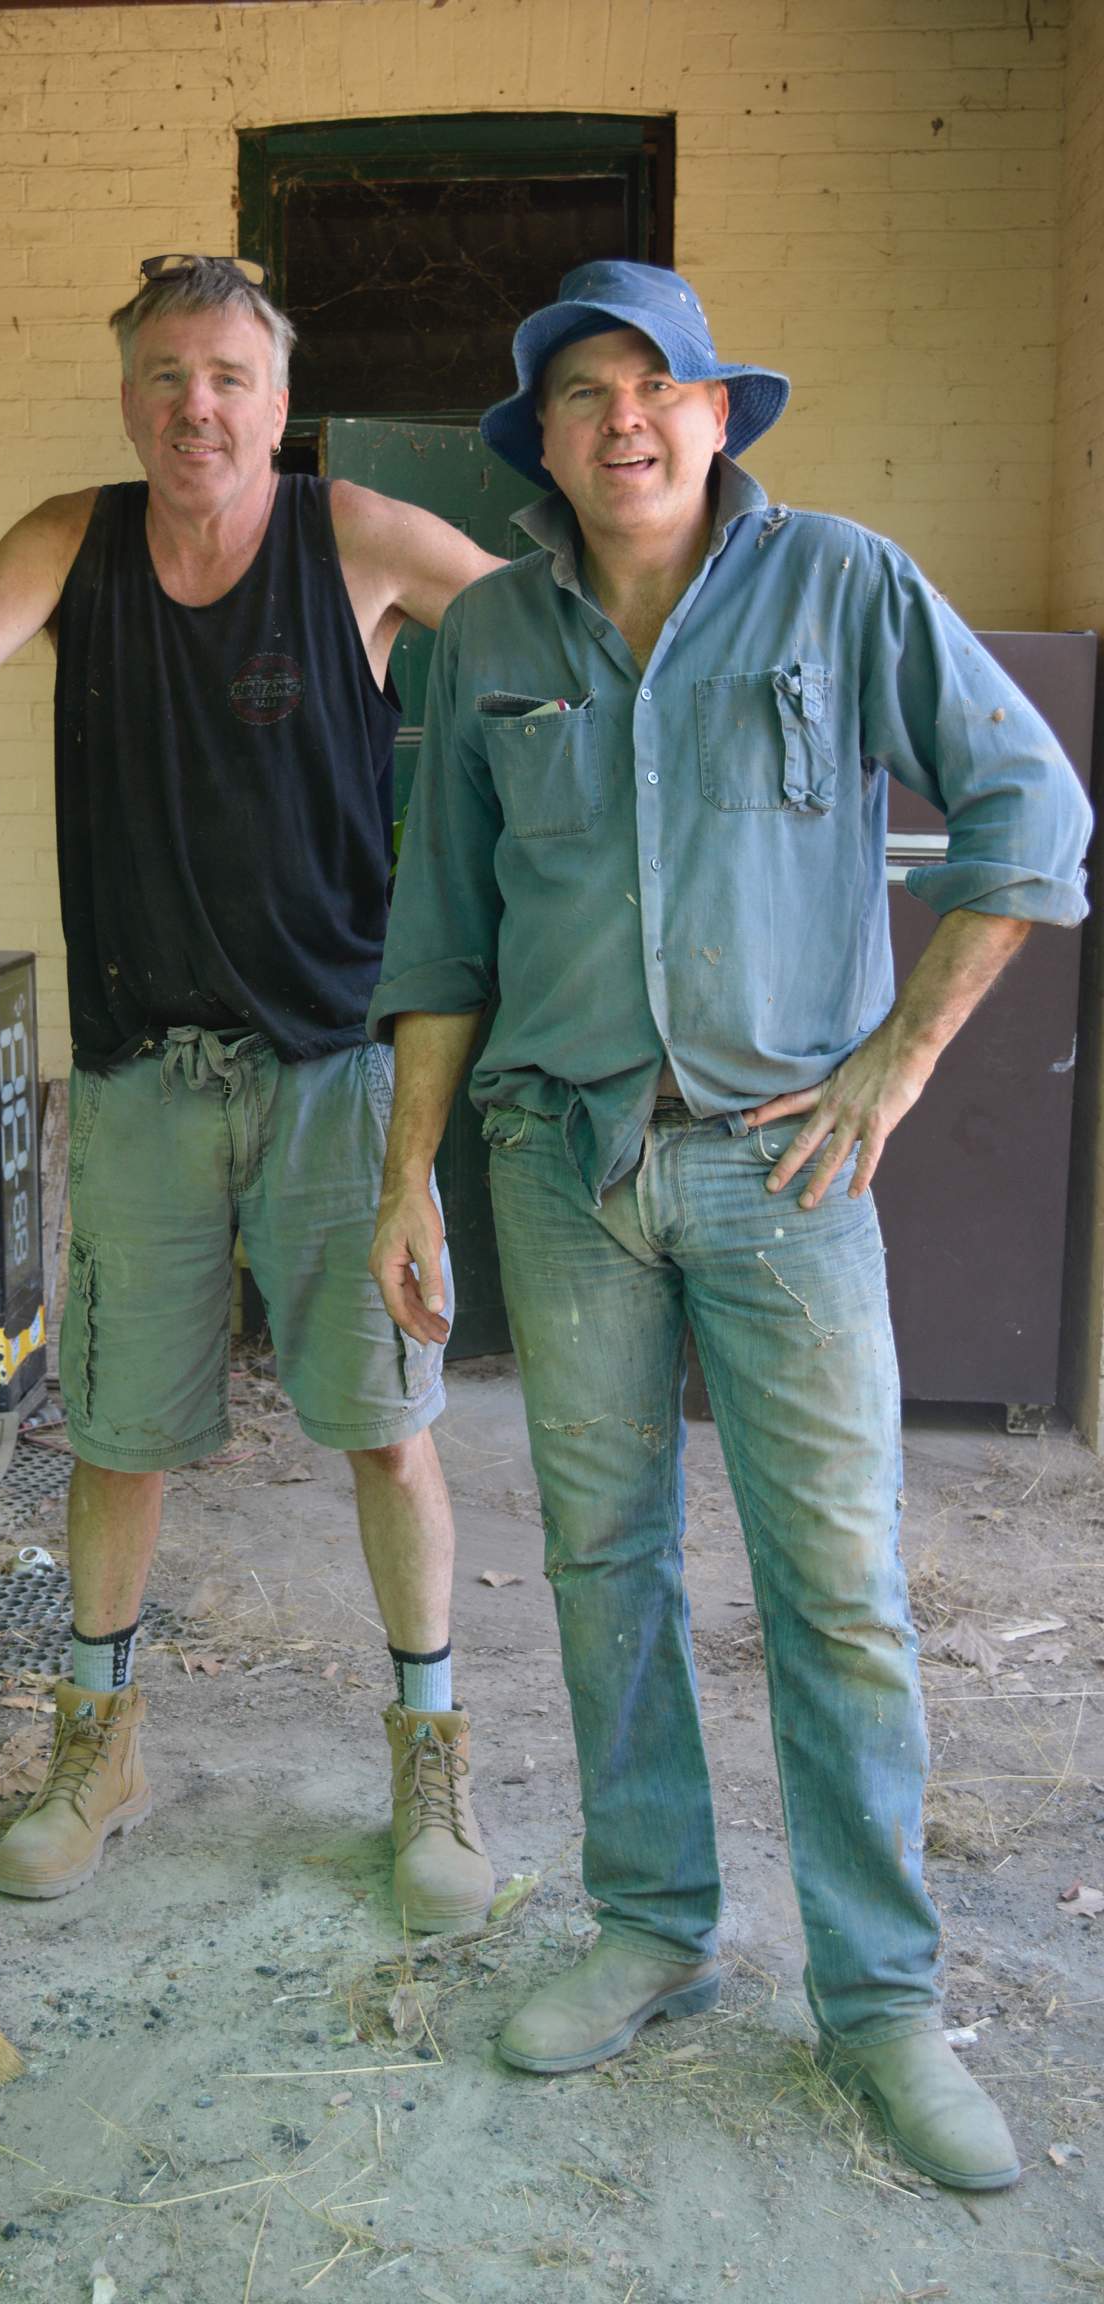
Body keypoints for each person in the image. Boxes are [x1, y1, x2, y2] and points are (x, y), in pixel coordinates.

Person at [367, 258, 1091, 2189]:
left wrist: (897, 1064)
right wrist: (407, 1174)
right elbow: (440, 933)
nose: (623, 420)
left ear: (715, 414)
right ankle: (656, 1927)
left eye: (656, 385)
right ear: (543, 442)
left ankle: (883, 2004)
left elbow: (1035, 815)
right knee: (604, 1567)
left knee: (836, 1590)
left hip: (785, 1176)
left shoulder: (840, 585)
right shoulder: (488, 633)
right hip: (562, 1165)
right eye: (582, 394)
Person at [0, 254, 502, 1938]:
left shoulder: (356, 538)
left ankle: (430, 1763)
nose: (197, 406)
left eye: (228, 377)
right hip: (142, 1081)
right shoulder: (75, 541)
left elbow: (543, 643)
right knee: (122, 1439)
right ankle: (95, 1752)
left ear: (280, 401)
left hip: (338, 1074)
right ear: (129, 398)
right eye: (165, 377)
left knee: (386, 1426)